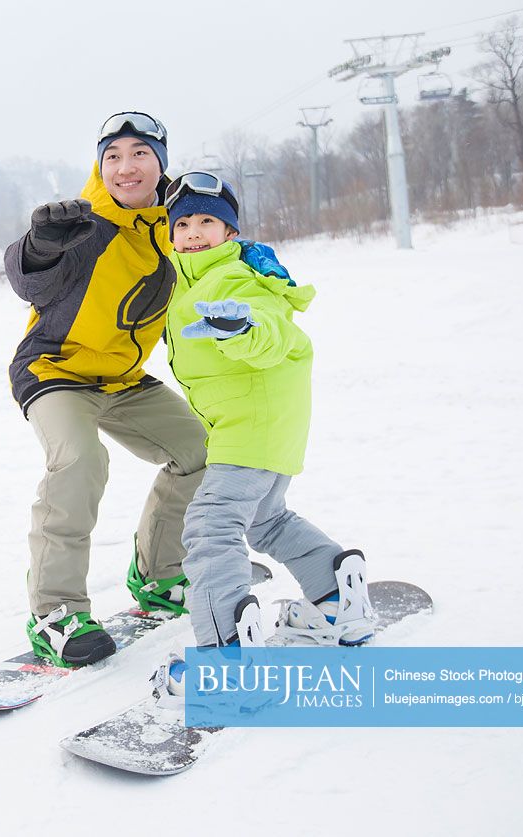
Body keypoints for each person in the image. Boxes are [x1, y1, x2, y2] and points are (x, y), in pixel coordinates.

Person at [4, 113, 288, 668]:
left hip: (126, 379)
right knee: (81, 461)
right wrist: (39, 246)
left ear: (160, 163)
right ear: (99, 165)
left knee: (201, 453)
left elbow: (212, 261)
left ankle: (160, 575)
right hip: (55, 371)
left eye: (139, 153)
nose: (125, 166)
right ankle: (54, 612)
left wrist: (254, 265)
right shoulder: (83, 224)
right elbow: (29, 279)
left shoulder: (172, 227)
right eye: (113, 156)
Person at [153, 171, 375, 656]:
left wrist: (242, 328)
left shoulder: (233, 277)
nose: (192, 233)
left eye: (207, 222)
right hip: (262, 425)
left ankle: (225, 650)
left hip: (250, 425)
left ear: (229, 232)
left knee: (211, 527)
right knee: (265, 521)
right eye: (182, 222)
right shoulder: (183, 282)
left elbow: (271, 332)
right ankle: (338, 597)